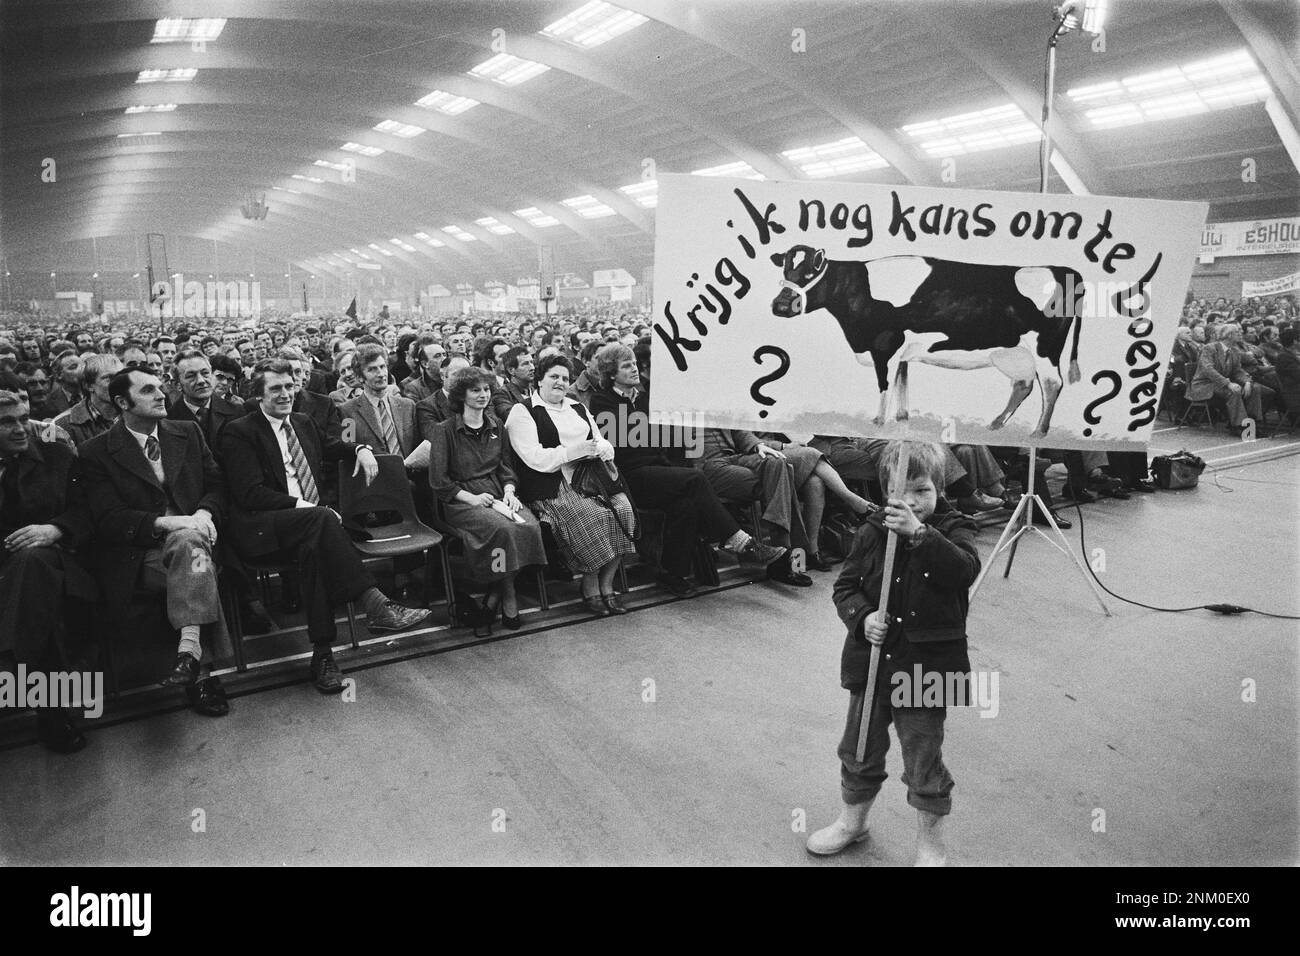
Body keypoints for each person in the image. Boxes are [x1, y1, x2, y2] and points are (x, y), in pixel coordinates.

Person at [809, 441, 980, 866]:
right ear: (884, 490)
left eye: (922, 490)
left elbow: (964, 571)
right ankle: (853, 822)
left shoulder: (956, 528)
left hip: (928, 668)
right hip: (871, 665)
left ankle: (931, 845)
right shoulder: (870, 531)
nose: (910, 501)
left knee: (923, 756)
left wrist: (920, 535)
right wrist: (863, 617)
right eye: (899, 491)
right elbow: (844, 588)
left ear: (939, 489)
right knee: (859, 747)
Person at [218, 360, 432, 693]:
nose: (286, 394)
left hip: (307, 528)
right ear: (258, 394)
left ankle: (323, 656)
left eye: (289, 386)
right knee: (320, 521)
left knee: (315, 548)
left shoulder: (303, 422)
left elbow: (333, 446)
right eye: (276, 388)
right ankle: (375, 604)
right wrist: (309, 508)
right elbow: (250, 494)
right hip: (261, 528)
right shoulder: (240, 431)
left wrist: (360, 448)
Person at [78, 368, 234, 717]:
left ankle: (189, 655)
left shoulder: (186, 432)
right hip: (142, 554)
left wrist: (206, 514)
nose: (162, 394)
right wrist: (171, 521)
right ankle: (202, 673)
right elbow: (109, 519)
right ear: (122, 402)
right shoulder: (96, 452)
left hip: (197, 541)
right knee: (196, 563)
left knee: (191, 549)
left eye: (161, 387)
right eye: (148, 390)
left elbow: (216, 484)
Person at [587, 344, 786, 596]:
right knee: (694, 479)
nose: (635, 369)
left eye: (635, 364)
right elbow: (625, 444)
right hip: (630, 476)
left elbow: (670, 439)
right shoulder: (602, 401)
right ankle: (742, 543)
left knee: (687, 505)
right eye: (626, 366)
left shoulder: (646, 399)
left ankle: (672, 573)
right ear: (611, 373)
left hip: (657, 472)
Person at [0, 391, 98, 752]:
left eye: (23, 418)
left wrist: (55, 529)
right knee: (32, 583)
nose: (20, 428)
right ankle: (51, 711)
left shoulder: (57, 457)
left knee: (34, 562)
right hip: (12, 579)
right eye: (6, 421)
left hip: (65, 565)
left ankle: (11, 664)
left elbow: (88, 513)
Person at [504, 355, 637, 617]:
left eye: (565, 378)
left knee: (623, 510)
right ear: (539, 379)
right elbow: (533, 458)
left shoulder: (577, 407)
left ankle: (607, 582)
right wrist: (573, 452)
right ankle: (590, 585)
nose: (560, 382)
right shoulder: (523, 411)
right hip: (550, 485)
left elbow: (601, 440)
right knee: (593, 515)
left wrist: (599, 448)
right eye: (554, 376)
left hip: (590, 479)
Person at [429, 367, 547, 628]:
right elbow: (439, 481)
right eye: (475, 390)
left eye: (485, 389)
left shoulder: (497, 426)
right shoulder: (444, 430)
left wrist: (509, 491)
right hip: (461, 501)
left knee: (529, 526)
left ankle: (493, 596)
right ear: (461, 395)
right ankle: (509, 596)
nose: (483, 395)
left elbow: (506, 467)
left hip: (497, 494)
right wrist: (471, 499)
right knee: (502, 530)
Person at [1186, 323, 1273, 431]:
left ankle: (1252, 422)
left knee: (1254, 388)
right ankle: (1238, 426)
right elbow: (1208, 370)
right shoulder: (1209, 348)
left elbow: (1238, 371)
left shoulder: (1234, 350)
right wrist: (1228, 383)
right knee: (1234, 391)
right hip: (1204, 384)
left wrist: (1247, 382)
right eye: (1237, 332)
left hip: (1220, 384)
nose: (1240, 333)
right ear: (1229, 335)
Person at [340, 344, 419, 457]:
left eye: (382, 367)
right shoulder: (347, 411)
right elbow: (347, 450)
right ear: (359, 377)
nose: (381, 374)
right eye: (372, 369)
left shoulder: (408, 406)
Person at [167, 349, 245, 452]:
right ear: (177, 385)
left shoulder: (236, 412)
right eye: (191, 376)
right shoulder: (169, 420)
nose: (201, 381)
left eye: (205, 373)